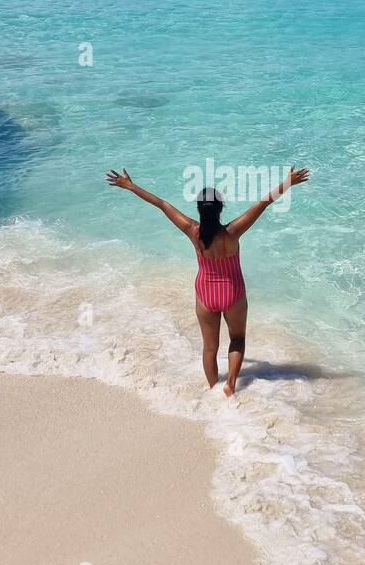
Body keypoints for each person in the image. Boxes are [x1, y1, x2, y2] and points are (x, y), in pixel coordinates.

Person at [105, 166, 310, 395]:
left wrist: (130, 186)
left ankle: (214, 391)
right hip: (233, 293)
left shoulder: (192, 230)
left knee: (210, 349)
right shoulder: (232, 232)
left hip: (206, 295)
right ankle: (231, 383)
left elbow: (162, 204)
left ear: (199, 210)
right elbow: (263, 203)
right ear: (221, 209)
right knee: (237, 339)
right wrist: (288, 182)